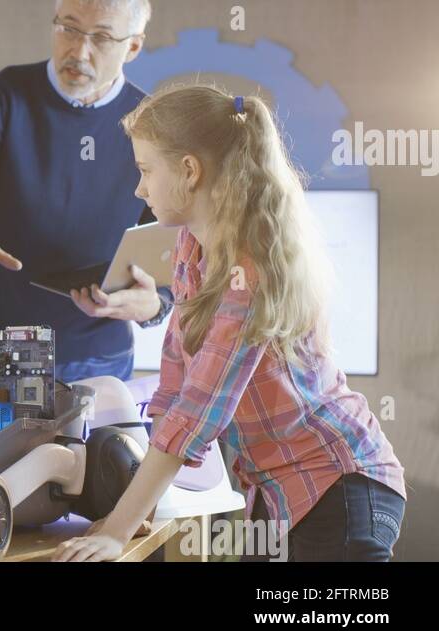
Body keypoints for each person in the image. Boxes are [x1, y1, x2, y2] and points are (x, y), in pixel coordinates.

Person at [53, 86, 407, 562]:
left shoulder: (250, 268)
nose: (140, 189)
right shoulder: (190, 249)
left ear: (189, 170)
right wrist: (133, 514)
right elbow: (174, 388)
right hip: (277, 494)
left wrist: (119, 529)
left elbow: (200, 411)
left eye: (145, 170)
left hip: (337, 484)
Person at [0, 0, 172, 383]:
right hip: (0, 345)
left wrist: (155, 304)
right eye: (68, 28)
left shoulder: (150, 122)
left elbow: (170, 243)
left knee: (101, 446)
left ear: (133, 46)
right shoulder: (5, 95)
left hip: (100, 355)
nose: (79, 50)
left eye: (102, 37)